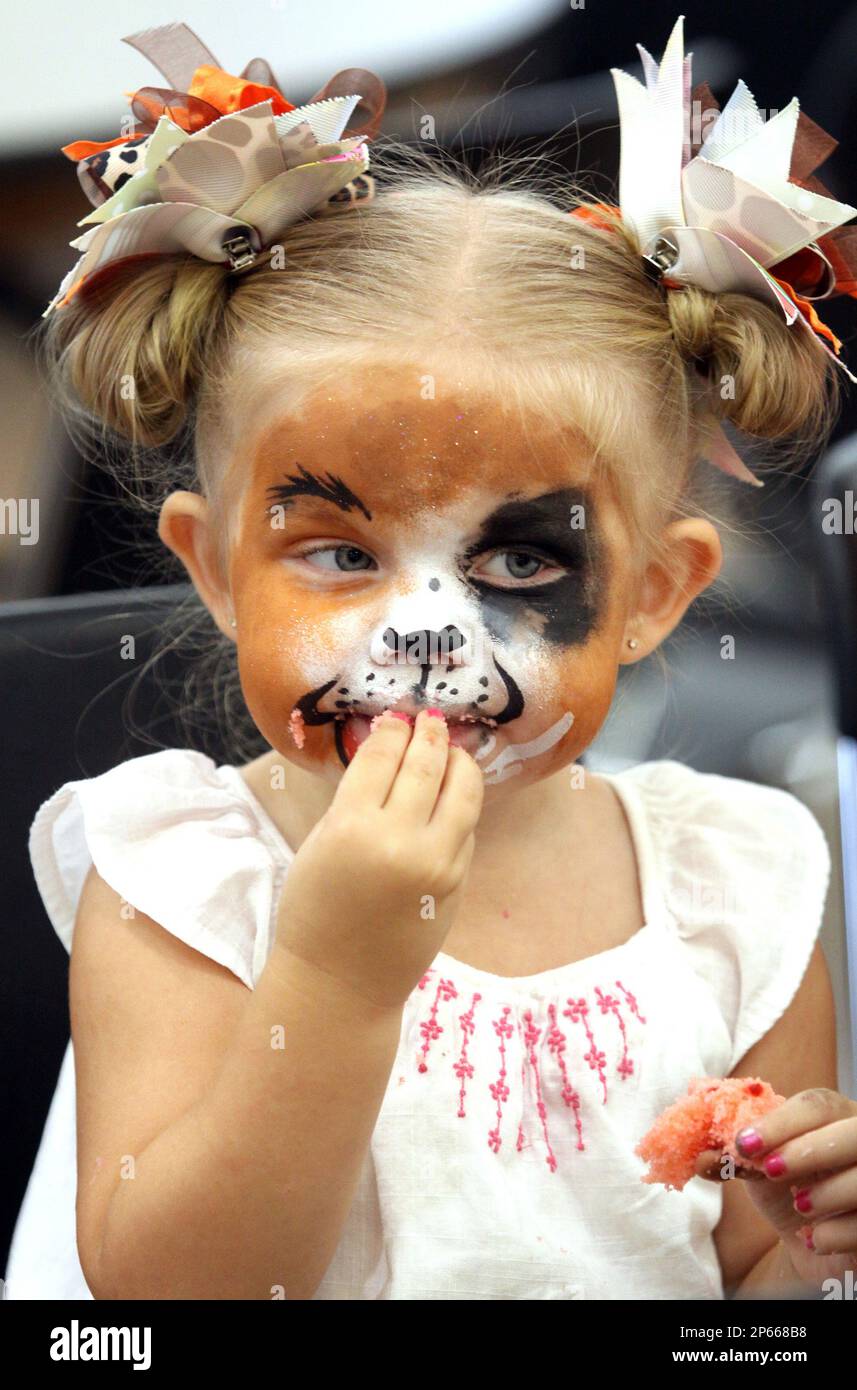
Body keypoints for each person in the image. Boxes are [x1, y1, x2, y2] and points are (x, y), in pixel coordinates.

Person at [6, 15, 857, 1300]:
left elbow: (739, 1300)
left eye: (520, 564)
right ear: (211, 569)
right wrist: (334, 977)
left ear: (655, 593)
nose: (419, 640)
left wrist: (810, 1246)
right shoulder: (177, 877)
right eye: (340, 554)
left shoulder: (741, 883)